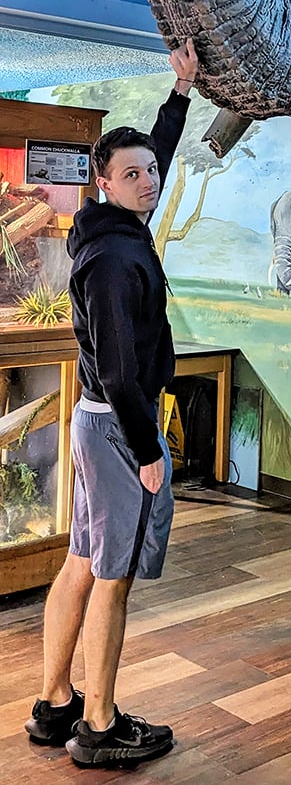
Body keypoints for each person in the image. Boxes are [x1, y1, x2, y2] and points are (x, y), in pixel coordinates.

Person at [24, 38, 199, 767]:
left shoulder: (110, 226)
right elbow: (124, 374)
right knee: (111, 576)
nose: (149, 180)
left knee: (80, 561)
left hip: (97, 426)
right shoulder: (118, 258)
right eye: (133, 174)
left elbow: (150, 153)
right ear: (102, 182)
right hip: (119, 428)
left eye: (152, 171)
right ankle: (98, 725)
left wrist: (180, 93)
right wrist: (150, 450)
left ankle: (54, 703)